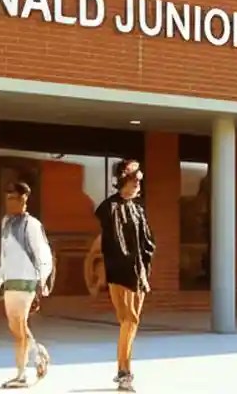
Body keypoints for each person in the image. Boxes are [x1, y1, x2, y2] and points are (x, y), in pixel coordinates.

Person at [93, 159, 155, 392]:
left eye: (140, 179)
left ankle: (124, 369)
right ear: (123, 180)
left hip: (139, 271)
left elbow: (147, 241)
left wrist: (145, 266)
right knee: (129, 319)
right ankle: (124, 371)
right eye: (134, 179)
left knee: (132, 321)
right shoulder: (109, 208)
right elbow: (112, 244)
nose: (139, 183)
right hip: (121, 271)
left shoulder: (138, 208)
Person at [0, 181, 54, 388]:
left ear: (24, 199)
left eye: (14, 198)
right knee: (16, 328)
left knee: (20, 325)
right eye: (7, 198)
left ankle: (22, 373)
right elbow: (4, 256)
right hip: (10, 282)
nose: (10, 202)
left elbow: (44, 255)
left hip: (27, 282)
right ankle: (38, 354)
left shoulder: (32, 225)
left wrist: (41, 283)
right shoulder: (5, 223)